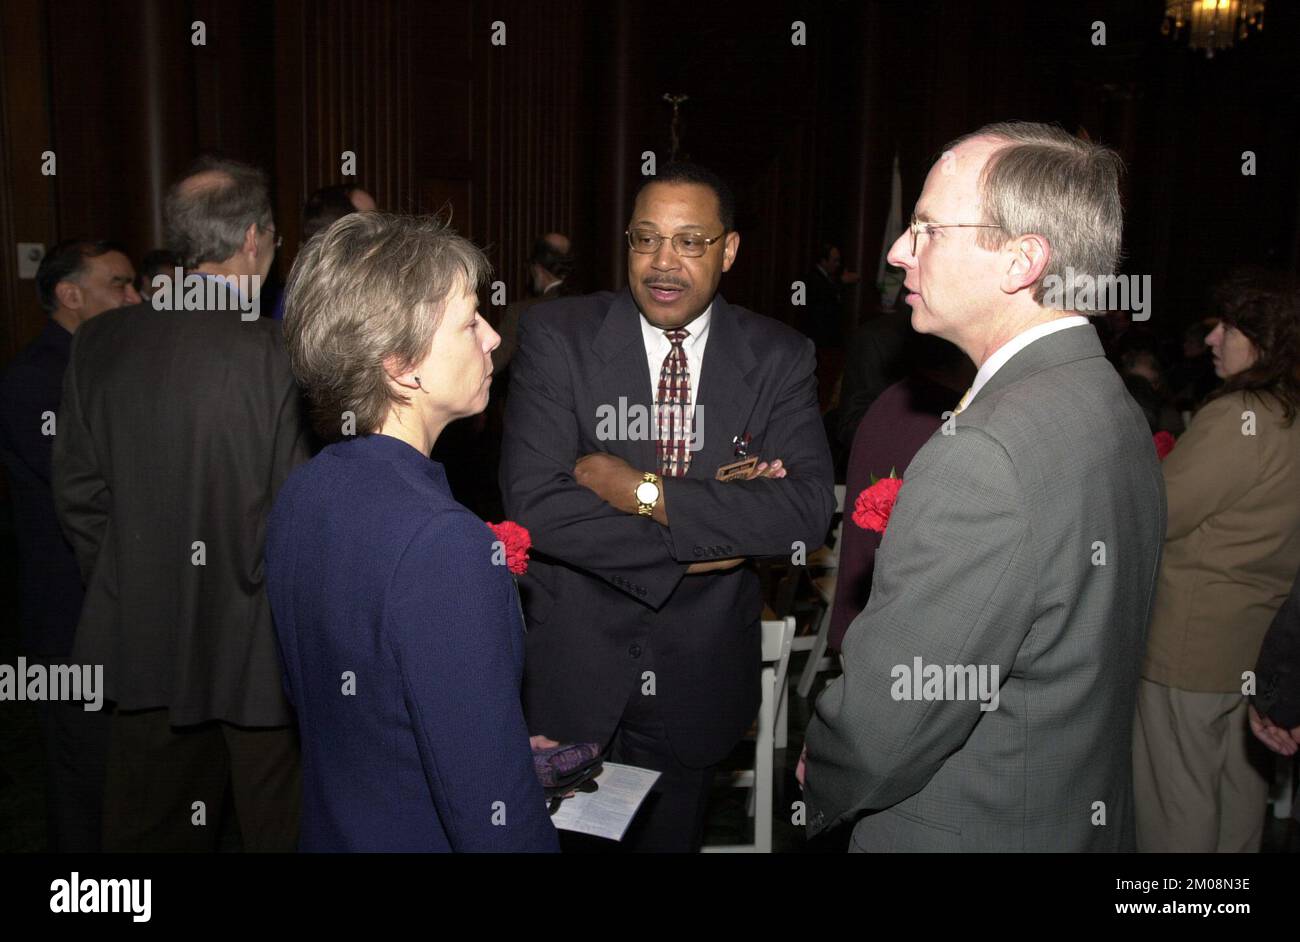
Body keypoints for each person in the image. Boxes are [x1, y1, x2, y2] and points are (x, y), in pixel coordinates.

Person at [802, 122, 1165, 852]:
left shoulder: (988, 450)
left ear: (1021, 261)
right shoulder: (1108, 401)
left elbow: (889, 720)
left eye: (928, 228)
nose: (899, 251)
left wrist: (826, 774)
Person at [501, 161, 835, 851]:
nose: (663, 263)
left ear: (729, 251)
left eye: (690, 242)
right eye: (645, 239)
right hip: (573, 669)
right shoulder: (558, 336)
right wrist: (706, 545)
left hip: (697, 676)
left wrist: (642, 491)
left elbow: (801, 512)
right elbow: (537, 503)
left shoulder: (778, 356)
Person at [268, 212, 558, 852]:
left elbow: (342, 709)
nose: (490, 337)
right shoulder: (445, 545)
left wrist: (487, 731)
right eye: (468, 321)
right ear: (402, 367)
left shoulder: (304, 492)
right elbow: (493, 818)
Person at [52, 156, 310, 852]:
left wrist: (129, 581)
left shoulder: (101, 340)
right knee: (276, 832)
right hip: (260, 652)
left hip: (144, 637)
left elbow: (78, 493)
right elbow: (297, 515)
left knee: (146, 834)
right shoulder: (283, 355)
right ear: (255, 239)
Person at [1134, 270, 1300, 852]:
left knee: (1176, 807)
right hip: (1258, 644)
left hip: (1191, 645)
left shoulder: (1239, 418)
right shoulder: (1290, 416)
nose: (1210, 339)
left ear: (1262, 339)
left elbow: (1159, 513)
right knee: (1236, 798)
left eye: (1226, 327)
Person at [0, 239, 137, 850]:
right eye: (120, 284)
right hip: (68, 617)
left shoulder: (104, 366)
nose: (134, 298)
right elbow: (86, 485)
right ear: (70, 294)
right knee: (81, 783)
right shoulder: (34, 379)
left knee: (123, 780)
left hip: (108, 609)